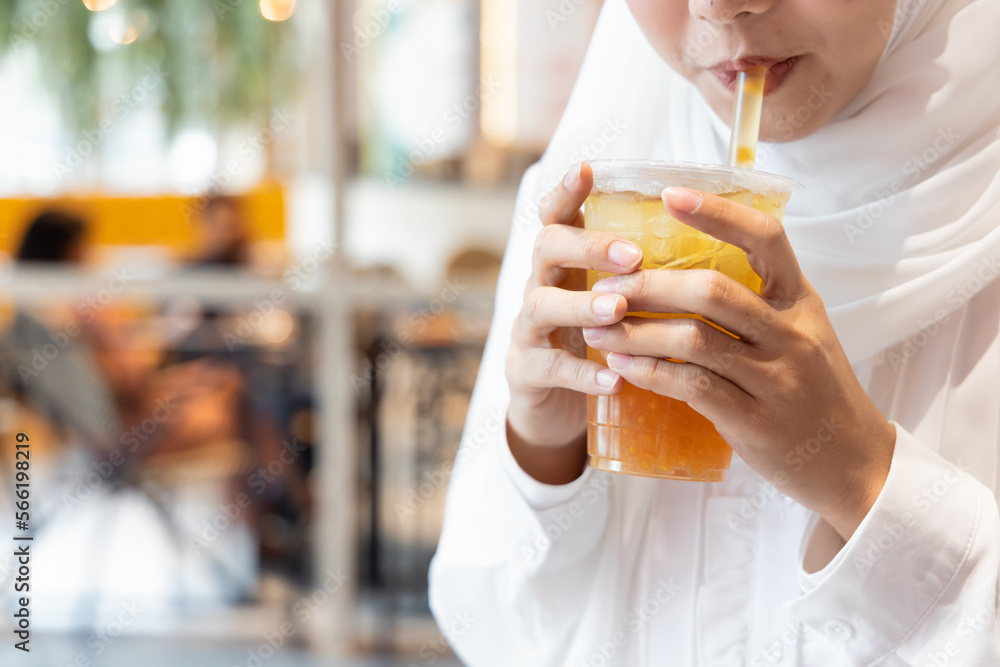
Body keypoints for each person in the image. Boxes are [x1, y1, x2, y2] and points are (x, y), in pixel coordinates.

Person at [429, 0, 1000, 664]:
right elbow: (485, 626)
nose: (719, 7)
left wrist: (860, 477)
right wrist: (544, 453)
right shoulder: (595, 201)